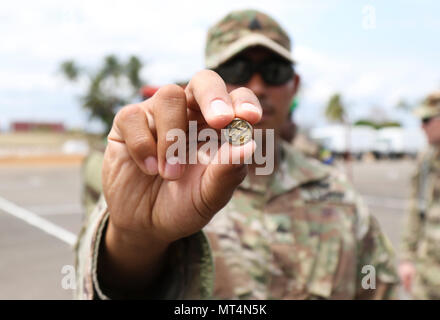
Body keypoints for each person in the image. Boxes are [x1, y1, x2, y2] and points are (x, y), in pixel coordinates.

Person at [75, 9, 398, 300]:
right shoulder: (168, 175)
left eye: (274, 71)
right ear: (210, 80)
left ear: (295, 85)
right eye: (237, 68)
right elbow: (111, 285)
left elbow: (381, 288)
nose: (257, 86)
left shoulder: (338, 194)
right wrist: (138, 237)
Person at [399, 90, 440, 299]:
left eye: (426, 119)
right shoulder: (426, 160)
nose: (421, 126)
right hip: (427, 277)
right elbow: (416, 210)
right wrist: (407, 258)